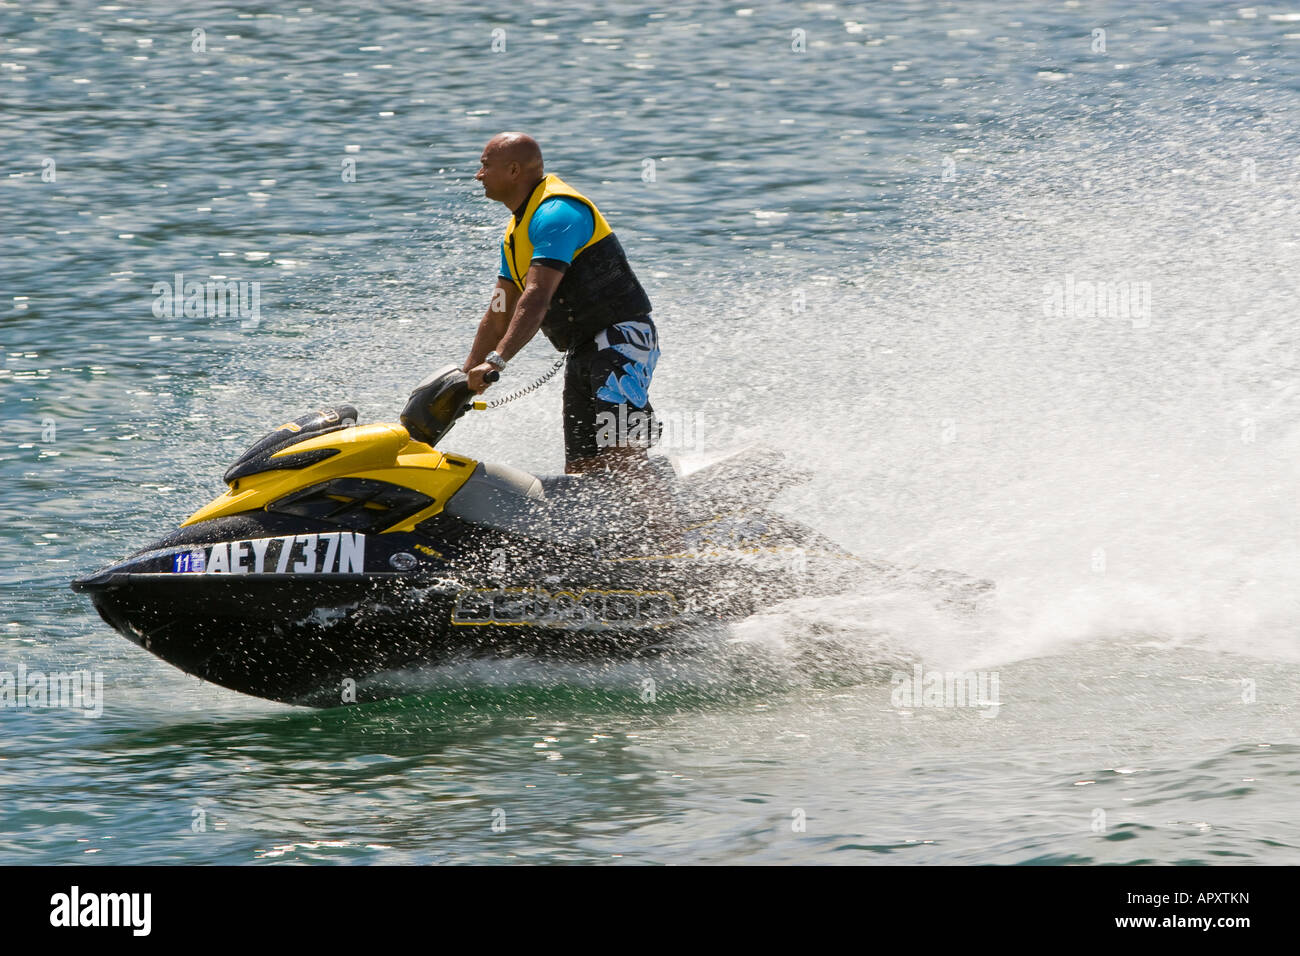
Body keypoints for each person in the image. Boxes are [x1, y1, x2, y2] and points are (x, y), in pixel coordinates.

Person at [462, 132, 666, 498]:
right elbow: (498, 311)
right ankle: (605, 549)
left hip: (621, 340)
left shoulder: (557, 213)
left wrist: (497, 361)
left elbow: (536, 297)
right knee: (583, 469)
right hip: (585, 350)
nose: (478, 175)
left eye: (484, 166)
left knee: (622, 454)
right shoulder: (516, 232)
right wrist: (464, 377)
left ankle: (669, 546)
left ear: (512, 170)